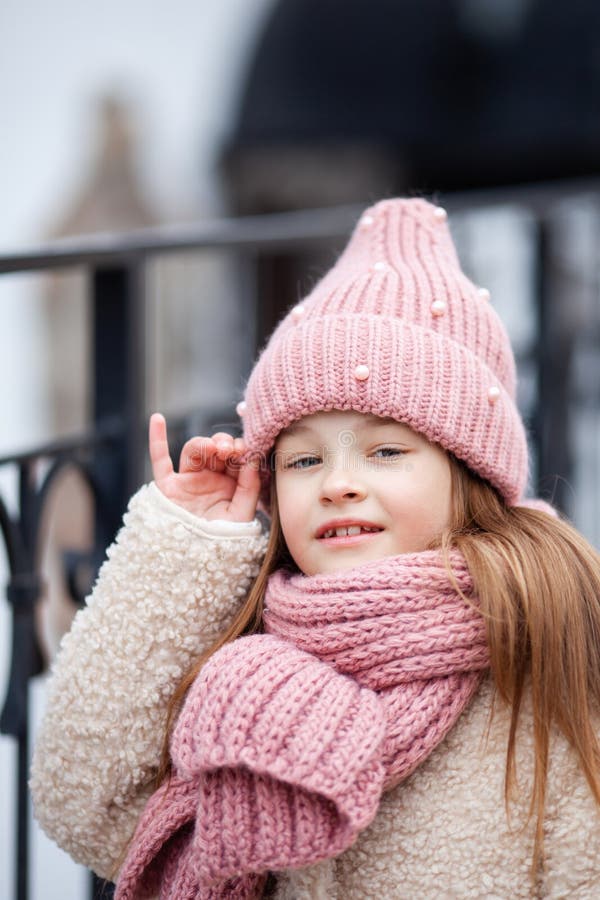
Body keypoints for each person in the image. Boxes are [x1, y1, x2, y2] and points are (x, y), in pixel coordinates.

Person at [30, 198, 600, 898]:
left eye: (386, 450)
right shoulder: (244, 653)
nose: (338, 484)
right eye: (302, 461)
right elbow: (86, 802)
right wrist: (186, 546)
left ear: (469, 472)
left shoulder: (546, 651)